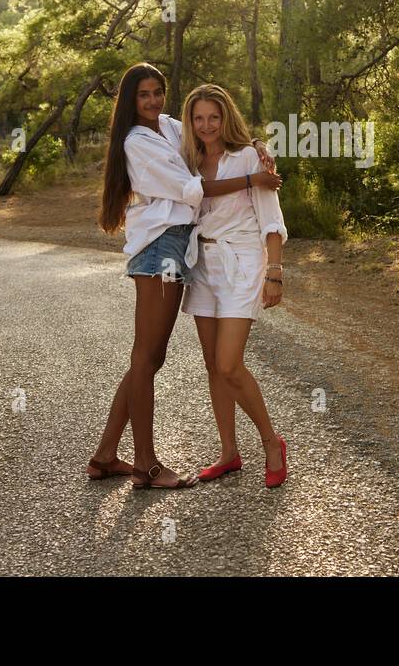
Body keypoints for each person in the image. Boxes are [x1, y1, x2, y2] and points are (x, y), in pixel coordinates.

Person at [89, 64, 280, 489]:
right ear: (130, 102)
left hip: (177, 245)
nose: (154, 101)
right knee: (146, 357)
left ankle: (104, 455)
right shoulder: (138, 141)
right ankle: (146, 464)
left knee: (148, 358)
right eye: (144, 96)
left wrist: (256, 143)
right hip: (161, 247)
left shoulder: (167, 128)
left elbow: (211, 130)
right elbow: (191, 188)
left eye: (158, 92)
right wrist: (253, 178)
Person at [179, 84, 289, 489]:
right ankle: (228, 452)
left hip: (241, 262)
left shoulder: (248, 158)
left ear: (227, 118)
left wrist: (274, 272)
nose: (206, 125)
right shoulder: (186, 160)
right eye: (199, 118)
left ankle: (271, 442)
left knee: (229, 363)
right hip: (201, 264)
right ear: (190, 122)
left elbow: (271, 220)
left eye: (214, 117)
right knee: (213, 366)